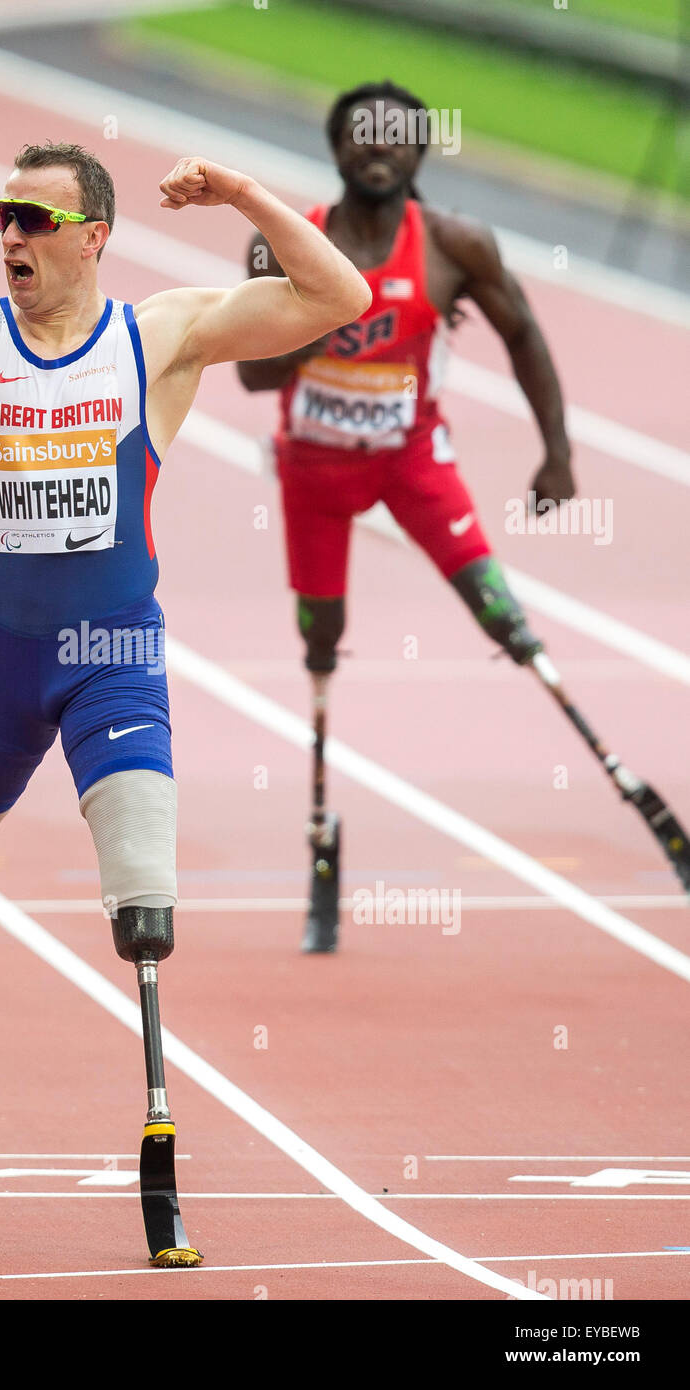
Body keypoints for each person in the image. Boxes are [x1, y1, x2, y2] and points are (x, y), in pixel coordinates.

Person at [0, 138, 370, 1258]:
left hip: (111, 653)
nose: (11, 238)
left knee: (144, 907)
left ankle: (158, 1129)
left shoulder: (160, 335)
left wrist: (235, 191)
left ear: (94, 238)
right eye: (3, 218)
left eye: (36, 221)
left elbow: (339, 294)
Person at [238, 80, 576, 952]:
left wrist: (558, 453)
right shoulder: (286, 243)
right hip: (314, 470)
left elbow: (526, 335)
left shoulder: (456, 244)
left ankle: (594, 745)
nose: (378, 151)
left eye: (397, 139)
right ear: (338, 149)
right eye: (363, 137)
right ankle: (320, 823)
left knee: (497, 605)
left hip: (412, 460)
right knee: (322, 632)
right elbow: (251, 377)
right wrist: (320, 316)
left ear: (420, 153)